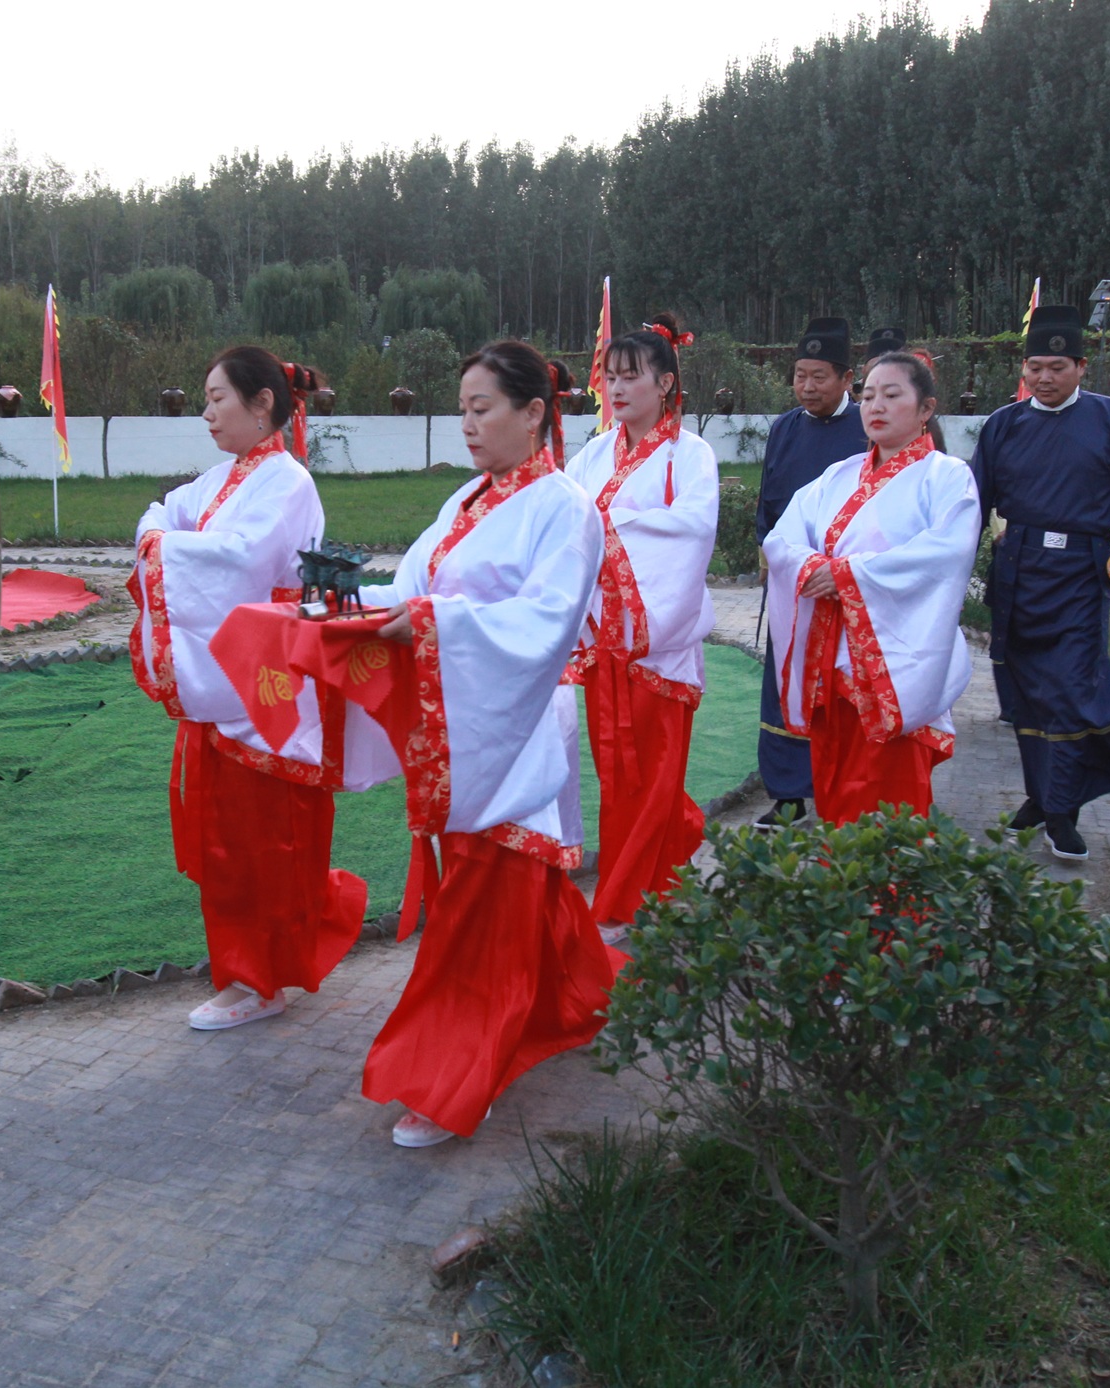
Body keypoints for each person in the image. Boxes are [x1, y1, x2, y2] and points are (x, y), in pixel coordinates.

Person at [348, 341, 617, 1149]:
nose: (467, 424)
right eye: (462, 409)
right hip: (460, 728)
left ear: (534, 413)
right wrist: (338, 602)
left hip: (514, 735)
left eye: (482, 408)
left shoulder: (565, 508)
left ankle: (458, 1072)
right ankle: (579, 995)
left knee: (482, 917)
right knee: (518, 903)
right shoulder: (470, 501)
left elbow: (542, 626)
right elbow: (412, 588)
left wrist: (433, 624)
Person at [129, 347, 368, 1031]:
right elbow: (160, 512)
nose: (206, 412)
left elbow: (237, 562)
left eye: (217, 398)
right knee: (226, 837)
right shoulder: (220, 480)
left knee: (267, 839)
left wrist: (158, 546)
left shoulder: (288, 482)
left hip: (269, 688)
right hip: (226, 686)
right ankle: (254, 963)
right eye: (205, 399)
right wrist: (161, 539)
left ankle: (258, 979)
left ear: (262, 403)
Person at [970, 305, 1110, 860]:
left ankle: (1063, 811)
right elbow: (974, 504)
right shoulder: (1004, 425)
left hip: (1082, 573)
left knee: (1072, 694)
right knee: (1025, 694)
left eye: (1057, 367)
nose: (1044, 378)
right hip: (1016, 572)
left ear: (1082, 366)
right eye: (1035, 367)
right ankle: (1040, 798)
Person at [762, 352, 981, 825]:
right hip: (832, 658)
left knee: (890, 796)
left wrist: (849, 574)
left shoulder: (947, 477)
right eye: (867, 395)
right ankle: (843, 887)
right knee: (836, 785)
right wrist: (812, 567)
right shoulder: (837, 477)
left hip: (896, 667)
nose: (875, 405)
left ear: (926, 409)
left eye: (892, 394)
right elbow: (781, 538)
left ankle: (895, 897)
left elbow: (943, 555)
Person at [563, 314, 719, 947]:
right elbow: (564, 520)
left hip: (659, 642)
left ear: (666, 382)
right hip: (604, 640)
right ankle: (654, 883)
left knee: (654, 773)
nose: (617, 389)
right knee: (617, 774)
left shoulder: (693, 454)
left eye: (631, 376)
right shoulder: (594, 453)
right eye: (609, 376)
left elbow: (691, 532)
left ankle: (627, 901)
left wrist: (608, 533)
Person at [755, 319, 870, 827]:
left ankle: (845, 792)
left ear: (847, 379)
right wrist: (769, 556)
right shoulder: (785, 427)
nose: (807, 386)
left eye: (819, 376)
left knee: (838, 683)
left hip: (845, 580)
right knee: (785, 679)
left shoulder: (868, 426)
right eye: (800, 375)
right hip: (791, 578)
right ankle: (787, 794)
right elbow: (770, 499)